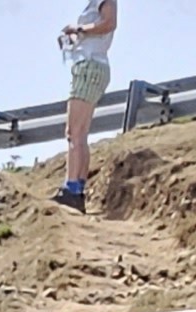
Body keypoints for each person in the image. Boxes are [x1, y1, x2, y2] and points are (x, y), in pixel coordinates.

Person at [57, 0, 115, 211]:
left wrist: (78, 28)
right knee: (81, 133)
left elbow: (109, 23)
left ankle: (71, 188)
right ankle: (77, 188)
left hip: (88, 66)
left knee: (73, 132)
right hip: (93, 65)